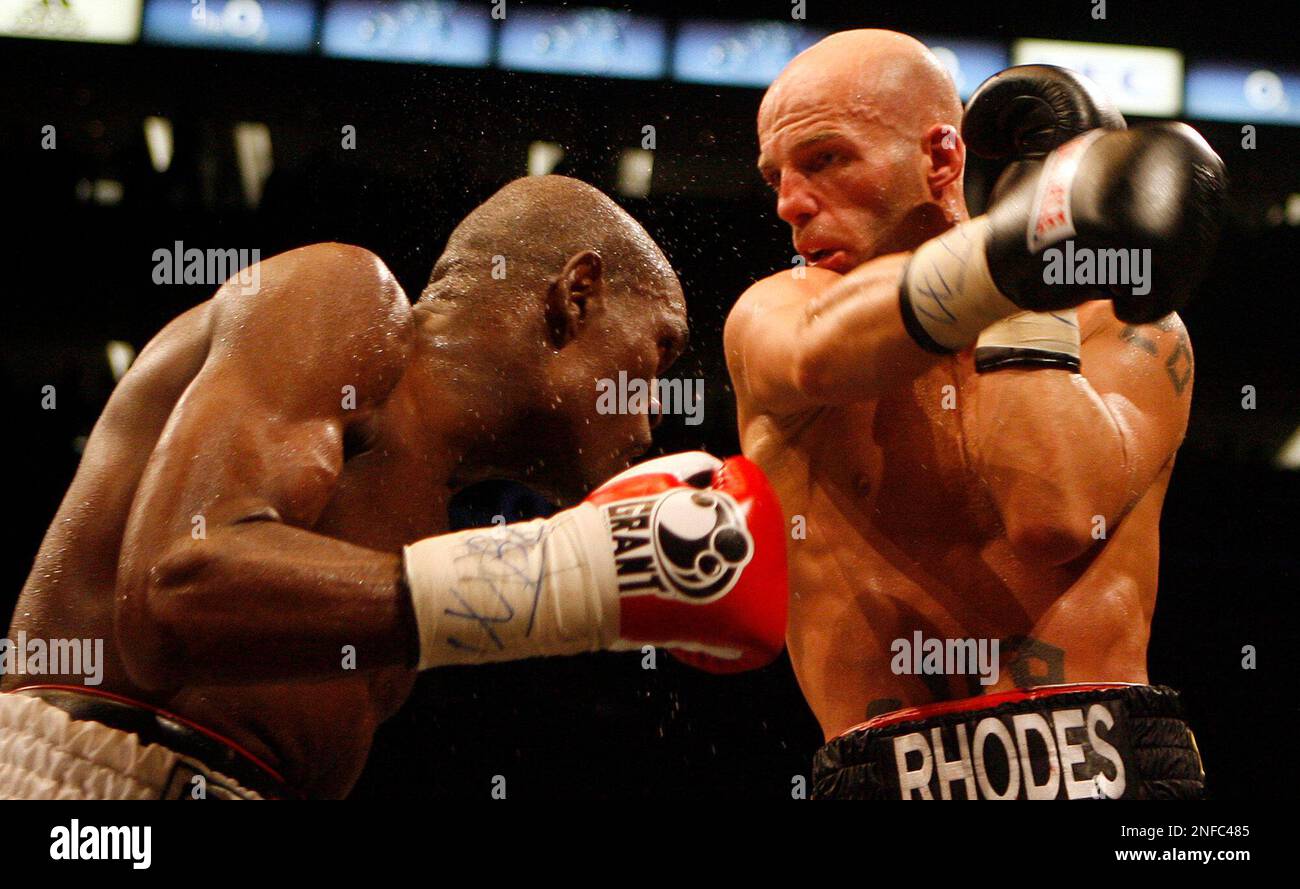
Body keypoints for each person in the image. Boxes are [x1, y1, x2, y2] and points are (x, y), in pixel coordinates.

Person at [0, 175, 787, 799]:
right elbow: (174, 589)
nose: (651, 415)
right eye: (658, 354)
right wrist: (560, 577)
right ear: (577, 293)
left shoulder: (426, 515)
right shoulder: (344, 297)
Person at [725, 30, 1226, 798]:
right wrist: (1017, 246)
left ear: (942, 159)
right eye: (777, 176)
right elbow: (816, 355)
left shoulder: (1119, 325)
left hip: (1112, 764)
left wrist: (1027, 282)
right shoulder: (775, 314)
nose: (791, 202)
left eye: (825, 159)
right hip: (886, 772)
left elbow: (1054, 513)